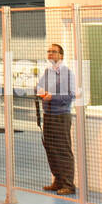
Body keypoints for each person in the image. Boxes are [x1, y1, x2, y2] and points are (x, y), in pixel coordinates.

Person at [36, 42, 76, 195]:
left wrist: (53, 97)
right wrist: (40, 92)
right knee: (51, 149)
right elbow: (38, 87)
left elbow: (71, 95)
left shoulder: (67, 74)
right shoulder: (47, 73)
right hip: (48, 115)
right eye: (49, 52)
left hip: (61, 116)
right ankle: (57, 181)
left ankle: (68, 185)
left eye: (54, 52)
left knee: (63, 150)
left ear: (61, 56)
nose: (50, 54)